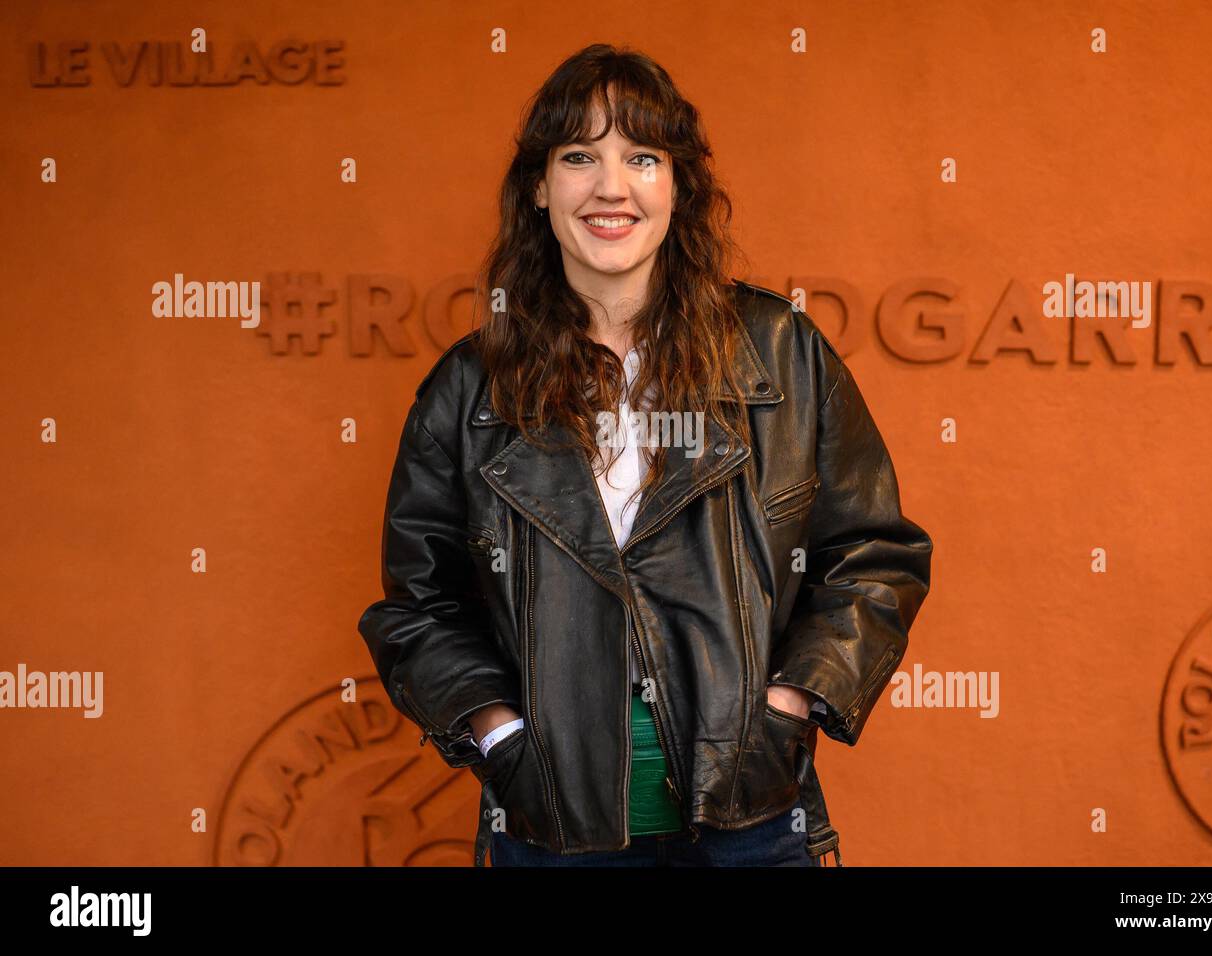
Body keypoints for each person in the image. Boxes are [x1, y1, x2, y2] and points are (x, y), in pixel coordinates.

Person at [356, 43, 933, 867]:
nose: (611, 187)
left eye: (643, 157)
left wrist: (789, 704)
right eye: (580, 156)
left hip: (755, 827)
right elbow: (418, 604)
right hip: (549, 834)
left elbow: (876, 554)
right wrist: (502, 734)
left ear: (679, 187)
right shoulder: (467, 389)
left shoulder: (781, 354)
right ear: (539, 188)